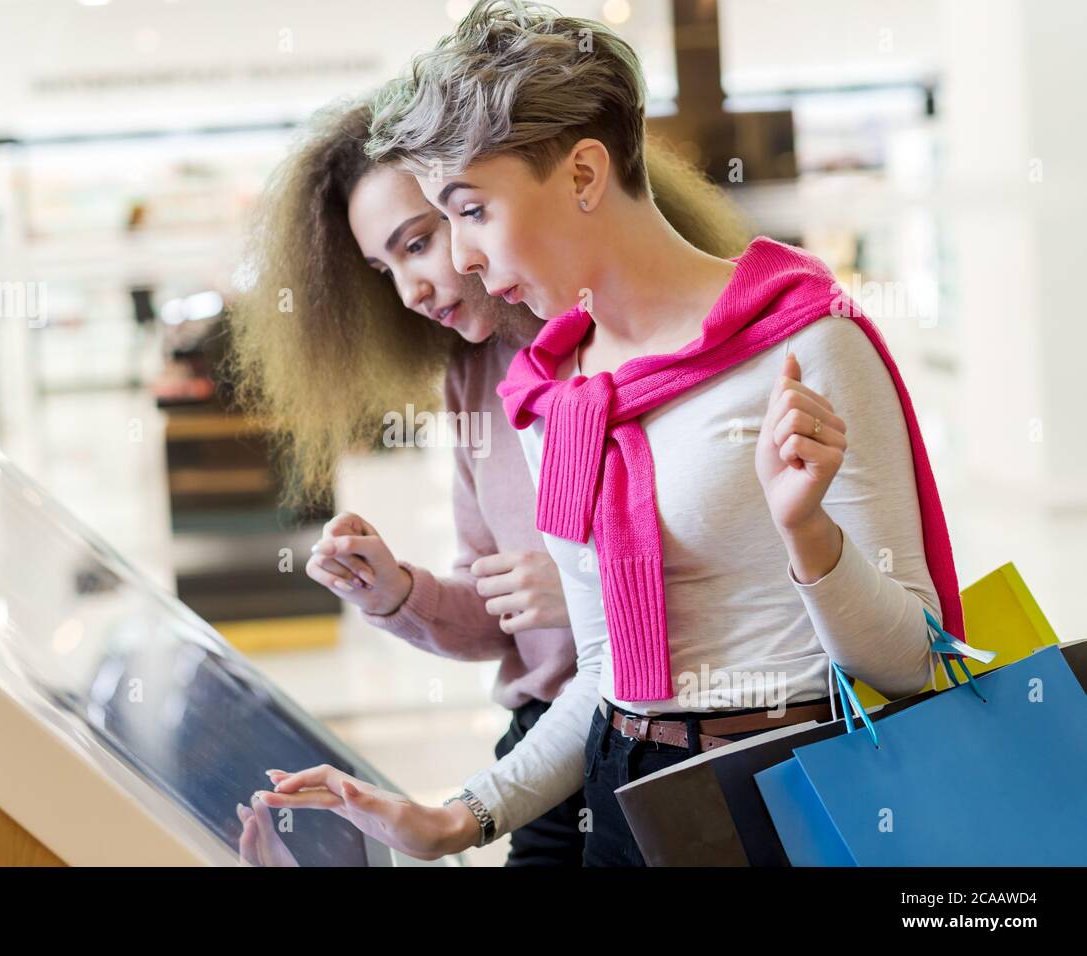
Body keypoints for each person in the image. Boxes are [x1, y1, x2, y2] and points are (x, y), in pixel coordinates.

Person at [254, 0, 965, 866]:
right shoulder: (552, 395)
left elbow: (908, 663)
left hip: (791, 801)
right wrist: (456, 819)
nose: (462, 260)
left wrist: (807, 534)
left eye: (470, 211)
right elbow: (602, 677)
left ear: (585, 174)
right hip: (621, 802)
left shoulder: (807, 343)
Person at [227, 92, 752, 865]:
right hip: (546, 741)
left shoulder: (665, 340)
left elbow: (765, 579)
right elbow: (503, 607)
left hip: (676, 740)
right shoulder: (475, 378)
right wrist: (397, 592)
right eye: (383, 268)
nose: (409, 292)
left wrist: (587, 588)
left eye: (416, 244)